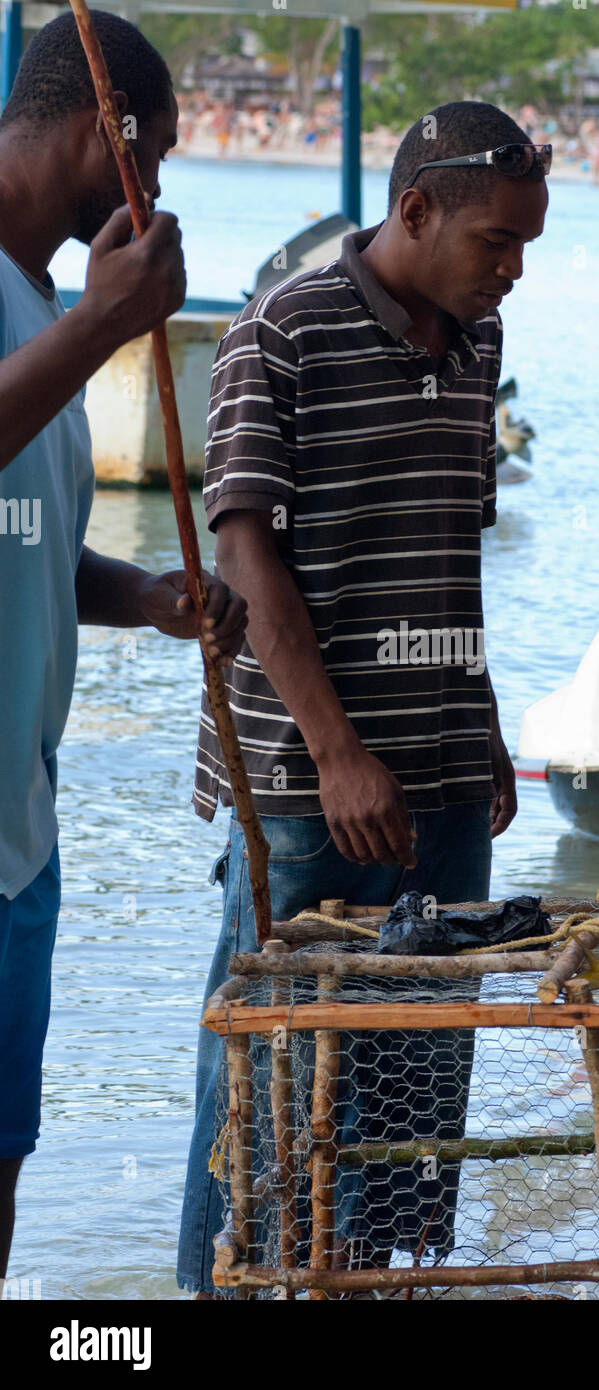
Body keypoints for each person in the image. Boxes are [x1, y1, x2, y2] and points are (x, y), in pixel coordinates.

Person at [177, 99, 549, 1296]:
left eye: (528, 247)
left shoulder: (479, 346)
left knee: (404, 1113)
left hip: (440, 787)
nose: (513, 270)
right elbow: (248, 561)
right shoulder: (275, 337)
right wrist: (339, 753)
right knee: (269, 1107)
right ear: (416, 211)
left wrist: (481, 721)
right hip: (301, 789)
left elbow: (452, 546)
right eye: (496, 242)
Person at [0, 11, 247, 1283]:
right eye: (149, 158)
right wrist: (98, 330)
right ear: (108, 128)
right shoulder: (64, 320)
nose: (154, 191)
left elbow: (26, 541)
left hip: (20, 841)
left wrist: (146, 593)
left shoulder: (40, 300)